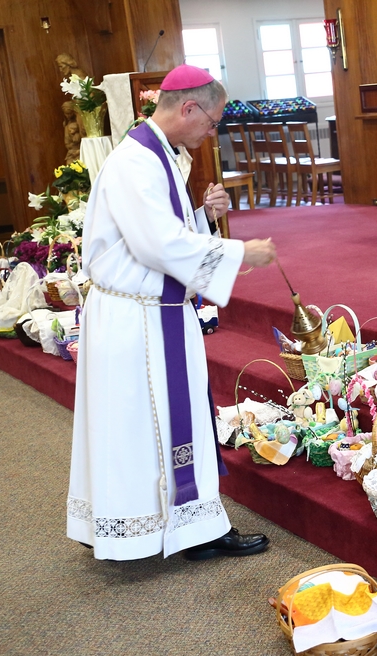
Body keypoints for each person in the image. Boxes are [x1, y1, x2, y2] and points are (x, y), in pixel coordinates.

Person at [66, 64, 277, 561]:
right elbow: (157, 243)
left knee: (157, 428)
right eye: (212, 121)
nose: (212, 132)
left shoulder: (157, 152)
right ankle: (157, 529)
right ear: (188, 107)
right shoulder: (137, 162)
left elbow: (154, 234)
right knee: (143, 429)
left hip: (149, 311)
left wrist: (204, 217)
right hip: (139, 321)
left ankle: (191, 528)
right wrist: (241, 252)